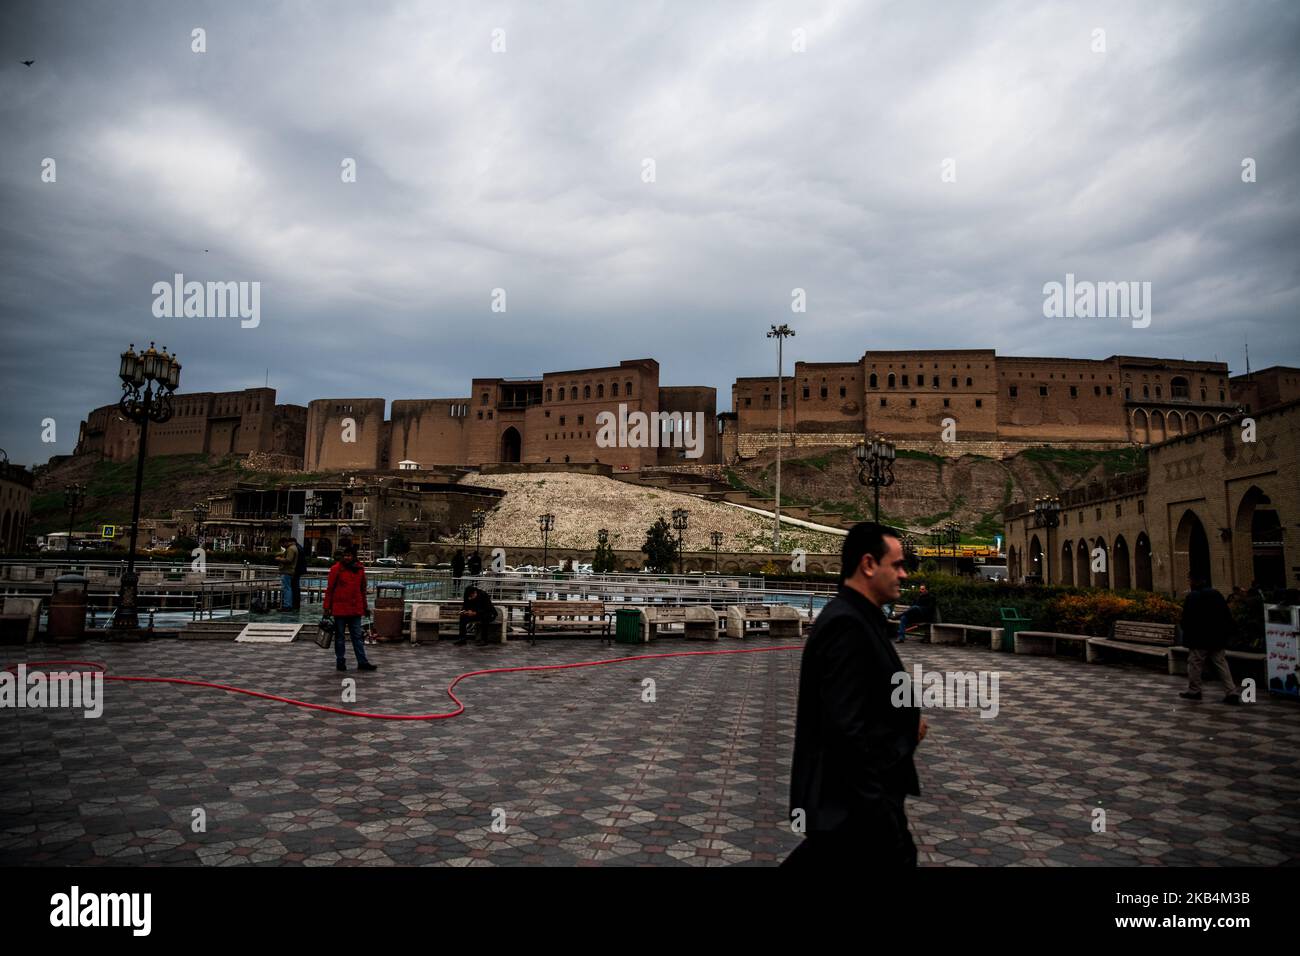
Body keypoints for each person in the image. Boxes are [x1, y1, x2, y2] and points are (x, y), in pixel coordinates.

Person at [783, 522, 927, 868]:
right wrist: (882, 815)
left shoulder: (858, 619)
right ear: (868, 564)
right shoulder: (846, 625)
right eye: (897, 565)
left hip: (855, 810)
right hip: (856, 810)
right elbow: (845, 731)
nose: (904, 574)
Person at [1179, 572, 1240, 704]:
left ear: (1193, 582)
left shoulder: (1192, 596)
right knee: (1221, 663)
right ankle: (1231, 692)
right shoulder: (1216, 594)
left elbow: (1186, 619)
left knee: (1195, 664)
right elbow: (1226, 615)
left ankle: (1194, 691)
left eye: (1189, 580)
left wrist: (1186, 630)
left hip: (1198, 638)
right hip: (1217, 637)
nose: (1188, 582)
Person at [324, 545, 376, 672]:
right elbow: (330, 589)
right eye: (345, 555)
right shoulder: (336, 569)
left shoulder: (359, 569)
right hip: (340, 608)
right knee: (340, 637)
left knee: (357, 637)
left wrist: (365, 607)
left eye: (349, 555)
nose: (347, 558)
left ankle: (362, 662)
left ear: (354, 556)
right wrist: (327, 607)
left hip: (355, 609)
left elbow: (362, 590)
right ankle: (340, 661)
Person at [276, 537, 299, 611]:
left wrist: (279, 559)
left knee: (287, 589)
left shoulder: (290, 549)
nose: (282, 547)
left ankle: (287, 605)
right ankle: (288, 604)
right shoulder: (293, 548)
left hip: (287, 571)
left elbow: (289, 560)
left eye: (282, 545)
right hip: (290, 571)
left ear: (284, 542)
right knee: (288, 588)